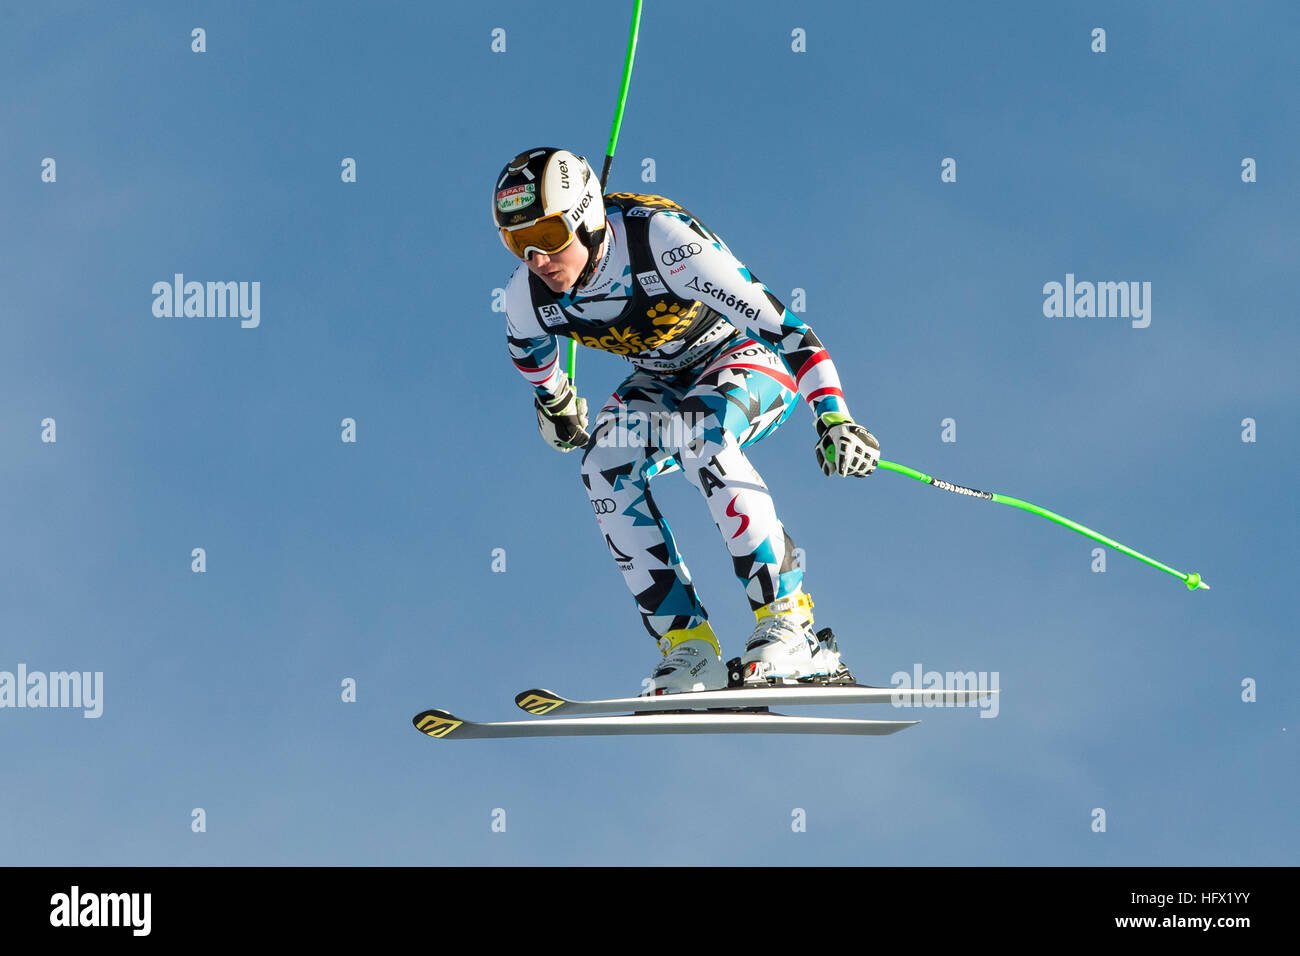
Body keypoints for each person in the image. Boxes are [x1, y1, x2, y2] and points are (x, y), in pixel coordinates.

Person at [494, 146, 881, 695]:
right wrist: (557, 405)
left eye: (551, 237)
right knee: (603, 463)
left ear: (586, 217)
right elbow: (532, 356)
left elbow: (789, 330)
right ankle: (688, 646)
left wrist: (835, 416)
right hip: (659, 378)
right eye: (517, 242)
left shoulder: (664, 243)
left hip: (741, 353)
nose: (537, 258)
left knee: (702, 434)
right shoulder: (526, 296)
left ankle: (790, 625)